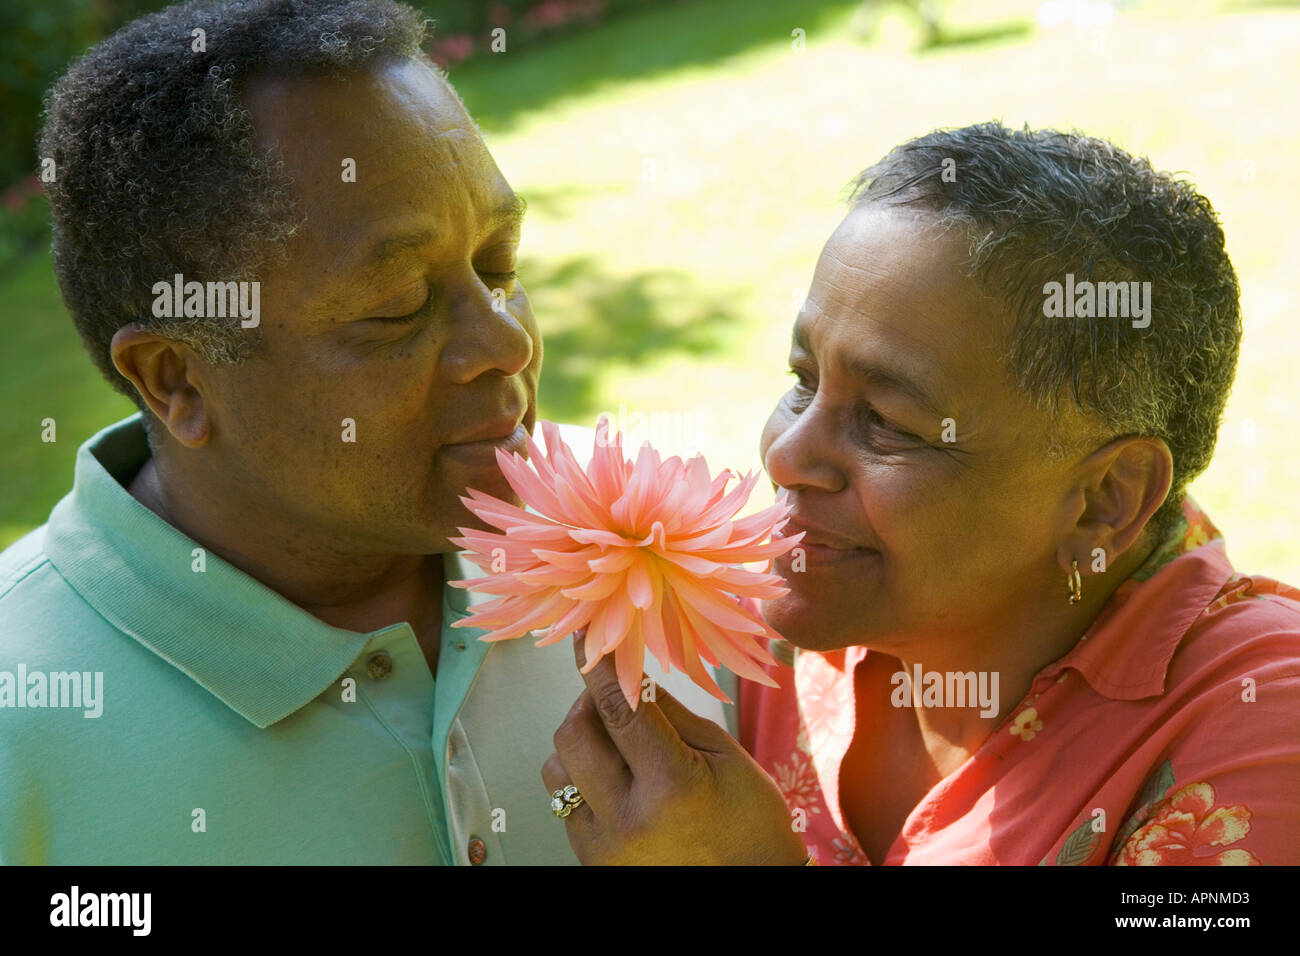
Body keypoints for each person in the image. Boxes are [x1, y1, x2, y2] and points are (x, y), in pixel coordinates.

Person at [0, 0, 725, 865]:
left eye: (498, 267)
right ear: (177, 377)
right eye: (397, 308)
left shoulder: (648, 554)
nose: (508, 343)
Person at [543, 123, 1300, 865]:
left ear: (1104, 500)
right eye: (802, 382)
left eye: (885, 424)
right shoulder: (762, 618)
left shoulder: (1260, 723)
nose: (788, 456)